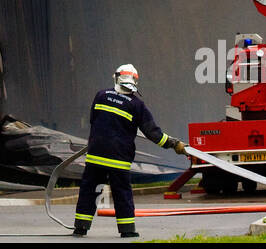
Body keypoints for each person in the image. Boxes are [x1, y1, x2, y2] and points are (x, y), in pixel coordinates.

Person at [73, 64, 185, 238]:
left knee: (89, 190)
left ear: (116, 78)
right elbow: (153, 133)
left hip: (96, 155)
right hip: (119, 158)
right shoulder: (136, 105)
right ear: (135, 81)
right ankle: (127, 231)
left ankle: (80, 227)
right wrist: (174, 144)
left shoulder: (101, 95)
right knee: (122, 193)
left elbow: (93, 120)